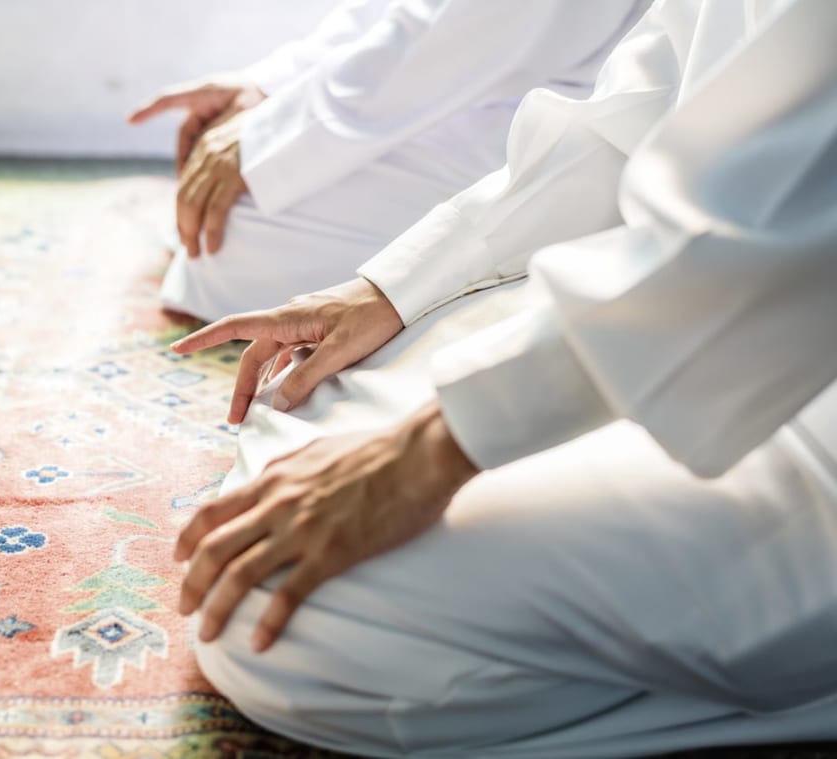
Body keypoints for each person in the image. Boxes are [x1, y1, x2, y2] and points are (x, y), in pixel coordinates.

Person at [169, 0, 837, 756]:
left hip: (798, 386)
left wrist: (428, 451)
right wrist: (386, 291)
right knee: (308, 392)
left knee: (274, 609)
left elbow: (769, 245)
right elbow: (636, 115)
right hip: (692, 307)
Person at [129, 0, 649, 321]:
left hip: (582, 118)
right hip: (486, 83)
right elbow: (405, 13)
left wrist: (265, 137)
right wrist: (268, 87)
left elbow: (454, 38)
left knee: (240, 229)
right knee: (229, 200)